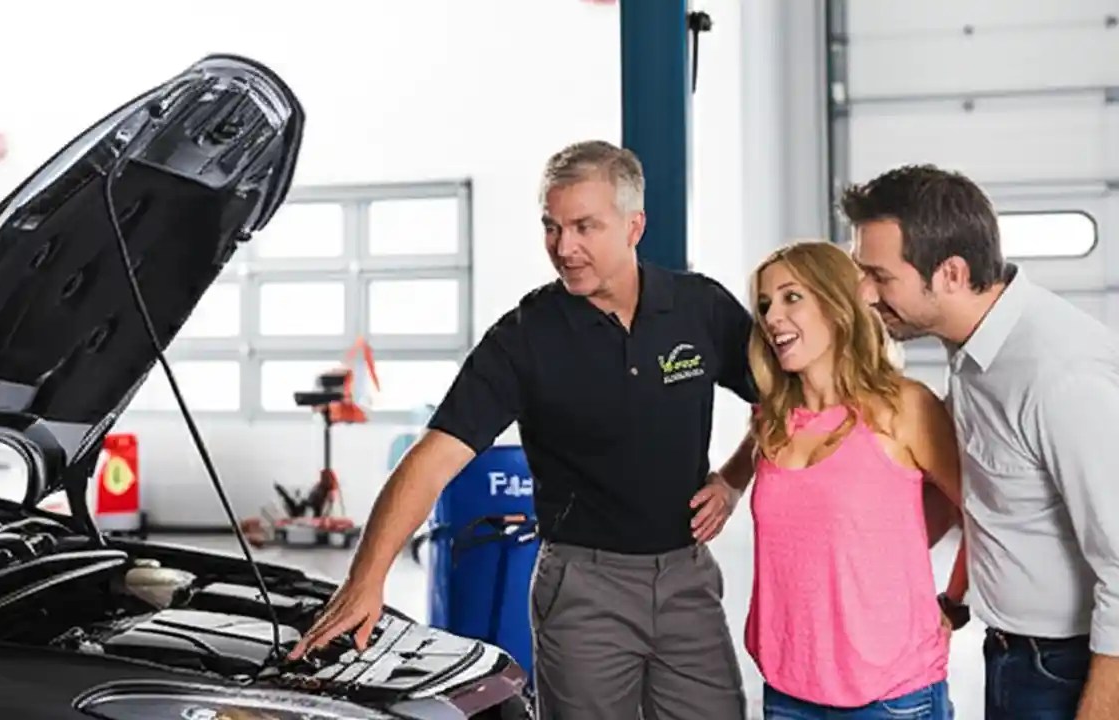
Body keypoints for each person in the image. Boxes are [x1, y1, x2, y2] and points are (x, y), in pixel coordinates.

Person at [288, 139, 759, 719]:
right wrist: (367, 579)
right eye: (552, 227)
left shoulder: (701, 308)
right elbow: (431, 460)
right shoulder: (525, 338)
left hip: (688, 581)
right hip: (584, 590)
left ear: (634, 226)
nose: (565, 248)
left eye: (585, 226)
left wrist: (735, 479)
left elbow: (788, 403)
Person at [844, 163, 1119, 719]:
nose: (863, 293)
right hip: (1011, 653)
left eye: (879, 276)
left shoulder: (1059, 375)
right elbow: (987, 492)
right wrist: (951, 598)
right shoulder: (975, 348)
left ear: (949, 273)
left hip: (1068, 667)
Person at [743, 241, 966, 719]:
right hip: (788, 690)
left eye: (790, 297)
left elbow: (981, 509)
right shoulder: (770, 421)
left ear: (837, 303)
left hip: (892, 694)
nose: (772, 317)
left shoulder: (904, 408)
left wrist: (956, 600)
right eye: (764, 305)